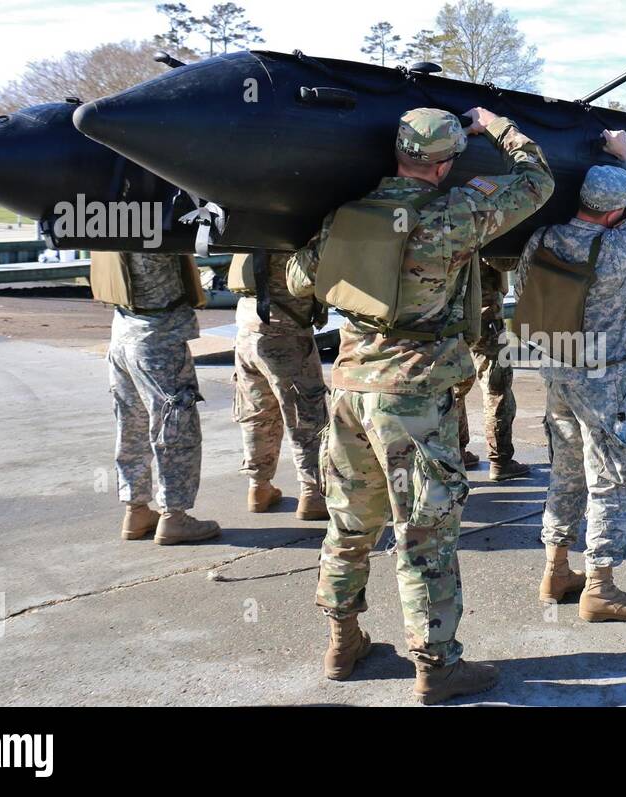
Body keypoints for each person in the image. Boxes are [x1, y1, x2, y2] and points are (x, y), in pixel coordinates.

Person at [287, 106, 553, 702]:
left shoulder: (347, 216)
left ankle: (342, 642)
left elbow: (301, 278)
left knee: (349, 525)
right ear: (449, 161)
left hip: (351, 391)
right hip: (414, 398)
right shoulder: (452, 215)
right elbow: (537, 180)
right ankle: (437, 666)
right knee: (423, 534)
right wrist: (501, 126)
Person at [508, 128, 626, 621]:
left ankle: (556, 568)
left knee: (565, 469)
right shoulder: (618, 247)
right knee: (614, 475)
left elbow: (524, 285)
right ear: (614, 212)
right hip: (602, 378)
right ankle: (600, 585)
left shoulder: (543, 238)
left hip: (555, 366)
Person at [97, 252, 221, 545]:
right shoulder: (154, 216)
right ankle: (174, 517)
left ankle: (136, 510)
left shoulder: (108, 217)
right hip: (159, 339)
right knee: (176, 429)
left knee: (133, 426)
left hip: (122, 333)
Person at [228, 252, 329, 519]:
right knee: (305, 415)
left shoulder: (250, 218)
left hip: (247, 327)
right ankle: (312, 493)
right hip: (287, 330)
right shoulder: (291, 219)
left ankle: (259, 487)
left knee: (257, 413)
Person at [453, 258, 528, 481]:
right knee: (497, 387)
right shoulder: (481, 223)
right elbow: (506, 261)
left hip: (449, 315)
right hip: (485, 314)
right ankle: (500, 460)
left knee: (454, 387)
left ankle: (456, 453)